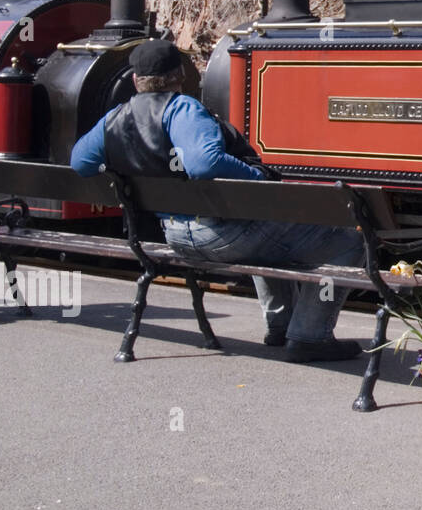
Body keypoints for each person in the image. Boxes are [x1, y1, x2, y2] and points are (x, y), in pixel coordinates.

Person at [70, 39, 364, 362]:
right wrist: (260, 182)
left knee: (269, 229)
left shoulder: (116, 117)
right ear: (179, 76)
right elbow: (204, 163)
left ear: (136, 80)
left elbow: (80, 162)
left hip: (174, 235)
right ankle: (309, 337)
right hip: (219, 234)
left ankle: (280, 326)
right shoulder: (181, 109)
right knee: (347, 242)